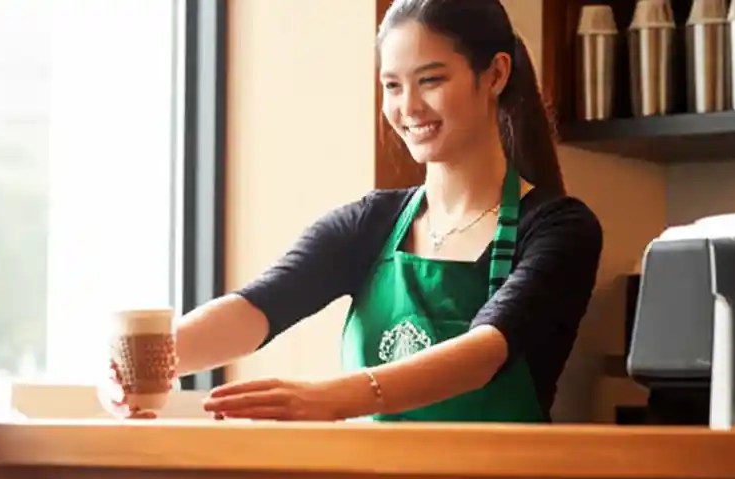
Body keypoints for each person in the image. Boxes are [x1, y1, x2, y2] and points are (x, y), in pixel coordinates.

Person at [105, 0, 603, 424]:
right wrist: (142, 363)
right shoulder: (370, 224)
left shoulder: (560, 229)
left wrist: (325, 398)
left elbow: (484, 353)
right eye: (392, 86)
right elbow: (258, 308)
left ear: (495, 73)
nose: (408, 106)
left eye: (430, 80)